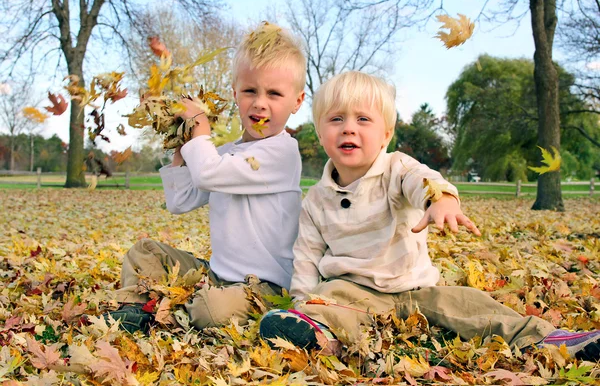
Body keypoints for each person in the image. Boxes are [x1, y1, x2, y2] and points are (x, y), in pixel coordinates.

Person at [259, 71, 600, 361]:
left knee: (471, 304)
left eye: (363, 119)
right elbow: (307, 255)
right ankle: (314, 330)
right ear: (320, 133)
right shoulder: (316, 199)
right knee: (329, 297)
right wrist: (303, 304)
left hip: (416, 287)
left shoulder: (397, 168)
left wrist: (441, 200)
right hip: (354, 291)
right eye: (336, 119)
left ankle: (550, 338)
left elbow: (424, 182)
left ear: (386, 135)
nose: (349, 128)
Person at [105, 22, 307, 333]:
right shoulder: (223, 154)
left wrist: (200, 130)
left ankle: (172, 309)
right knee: (144, 251)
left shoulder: (282, 153)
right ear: (235, 94)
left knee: (212, 309)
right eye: (250, 90)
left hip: (264, 288)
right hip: (215, 275)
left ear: (297, 101)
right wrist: (182, 148)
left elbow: (208, 173)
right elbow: (180, 201)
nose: (260, 102)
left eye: (274, 93)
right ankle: (137, 307)